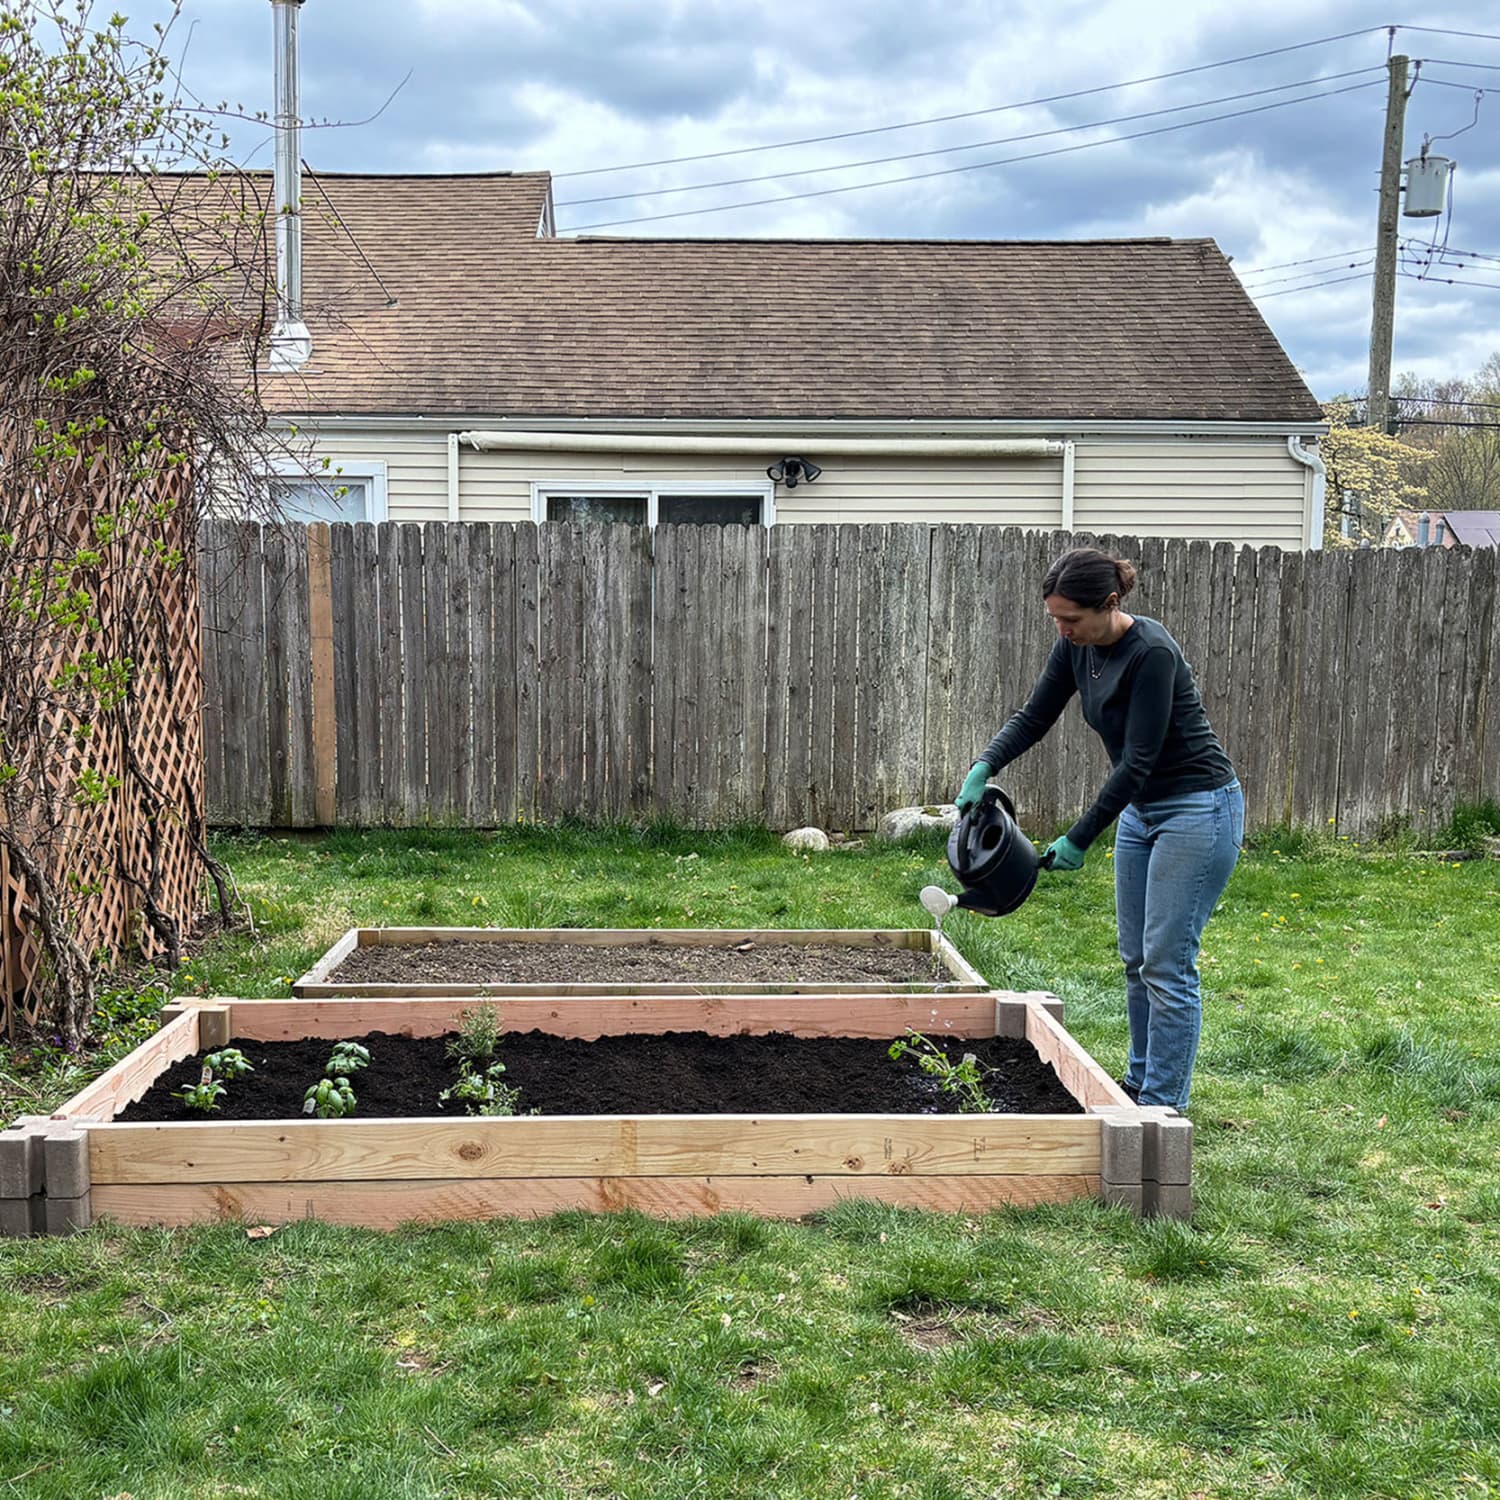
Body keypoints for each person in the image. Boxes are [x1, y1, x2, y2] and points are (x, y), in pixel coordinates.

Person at [954, 547, 1242, 1112]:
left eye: (1072, 619)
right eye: (1056, 619)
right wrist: (985, 764)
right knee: (1136, 958)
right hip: (1142, 813)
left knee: (1167, 961)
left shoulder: (1151, 654)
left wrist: (1081, 837)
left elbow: (1137, 761)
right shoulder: (1075, 647)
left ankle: (1162, 1107)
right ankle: (1138, 1084)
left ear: (1109, 604)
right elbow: (1034, 716)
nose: (1062, 629)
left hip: (1197, 809)